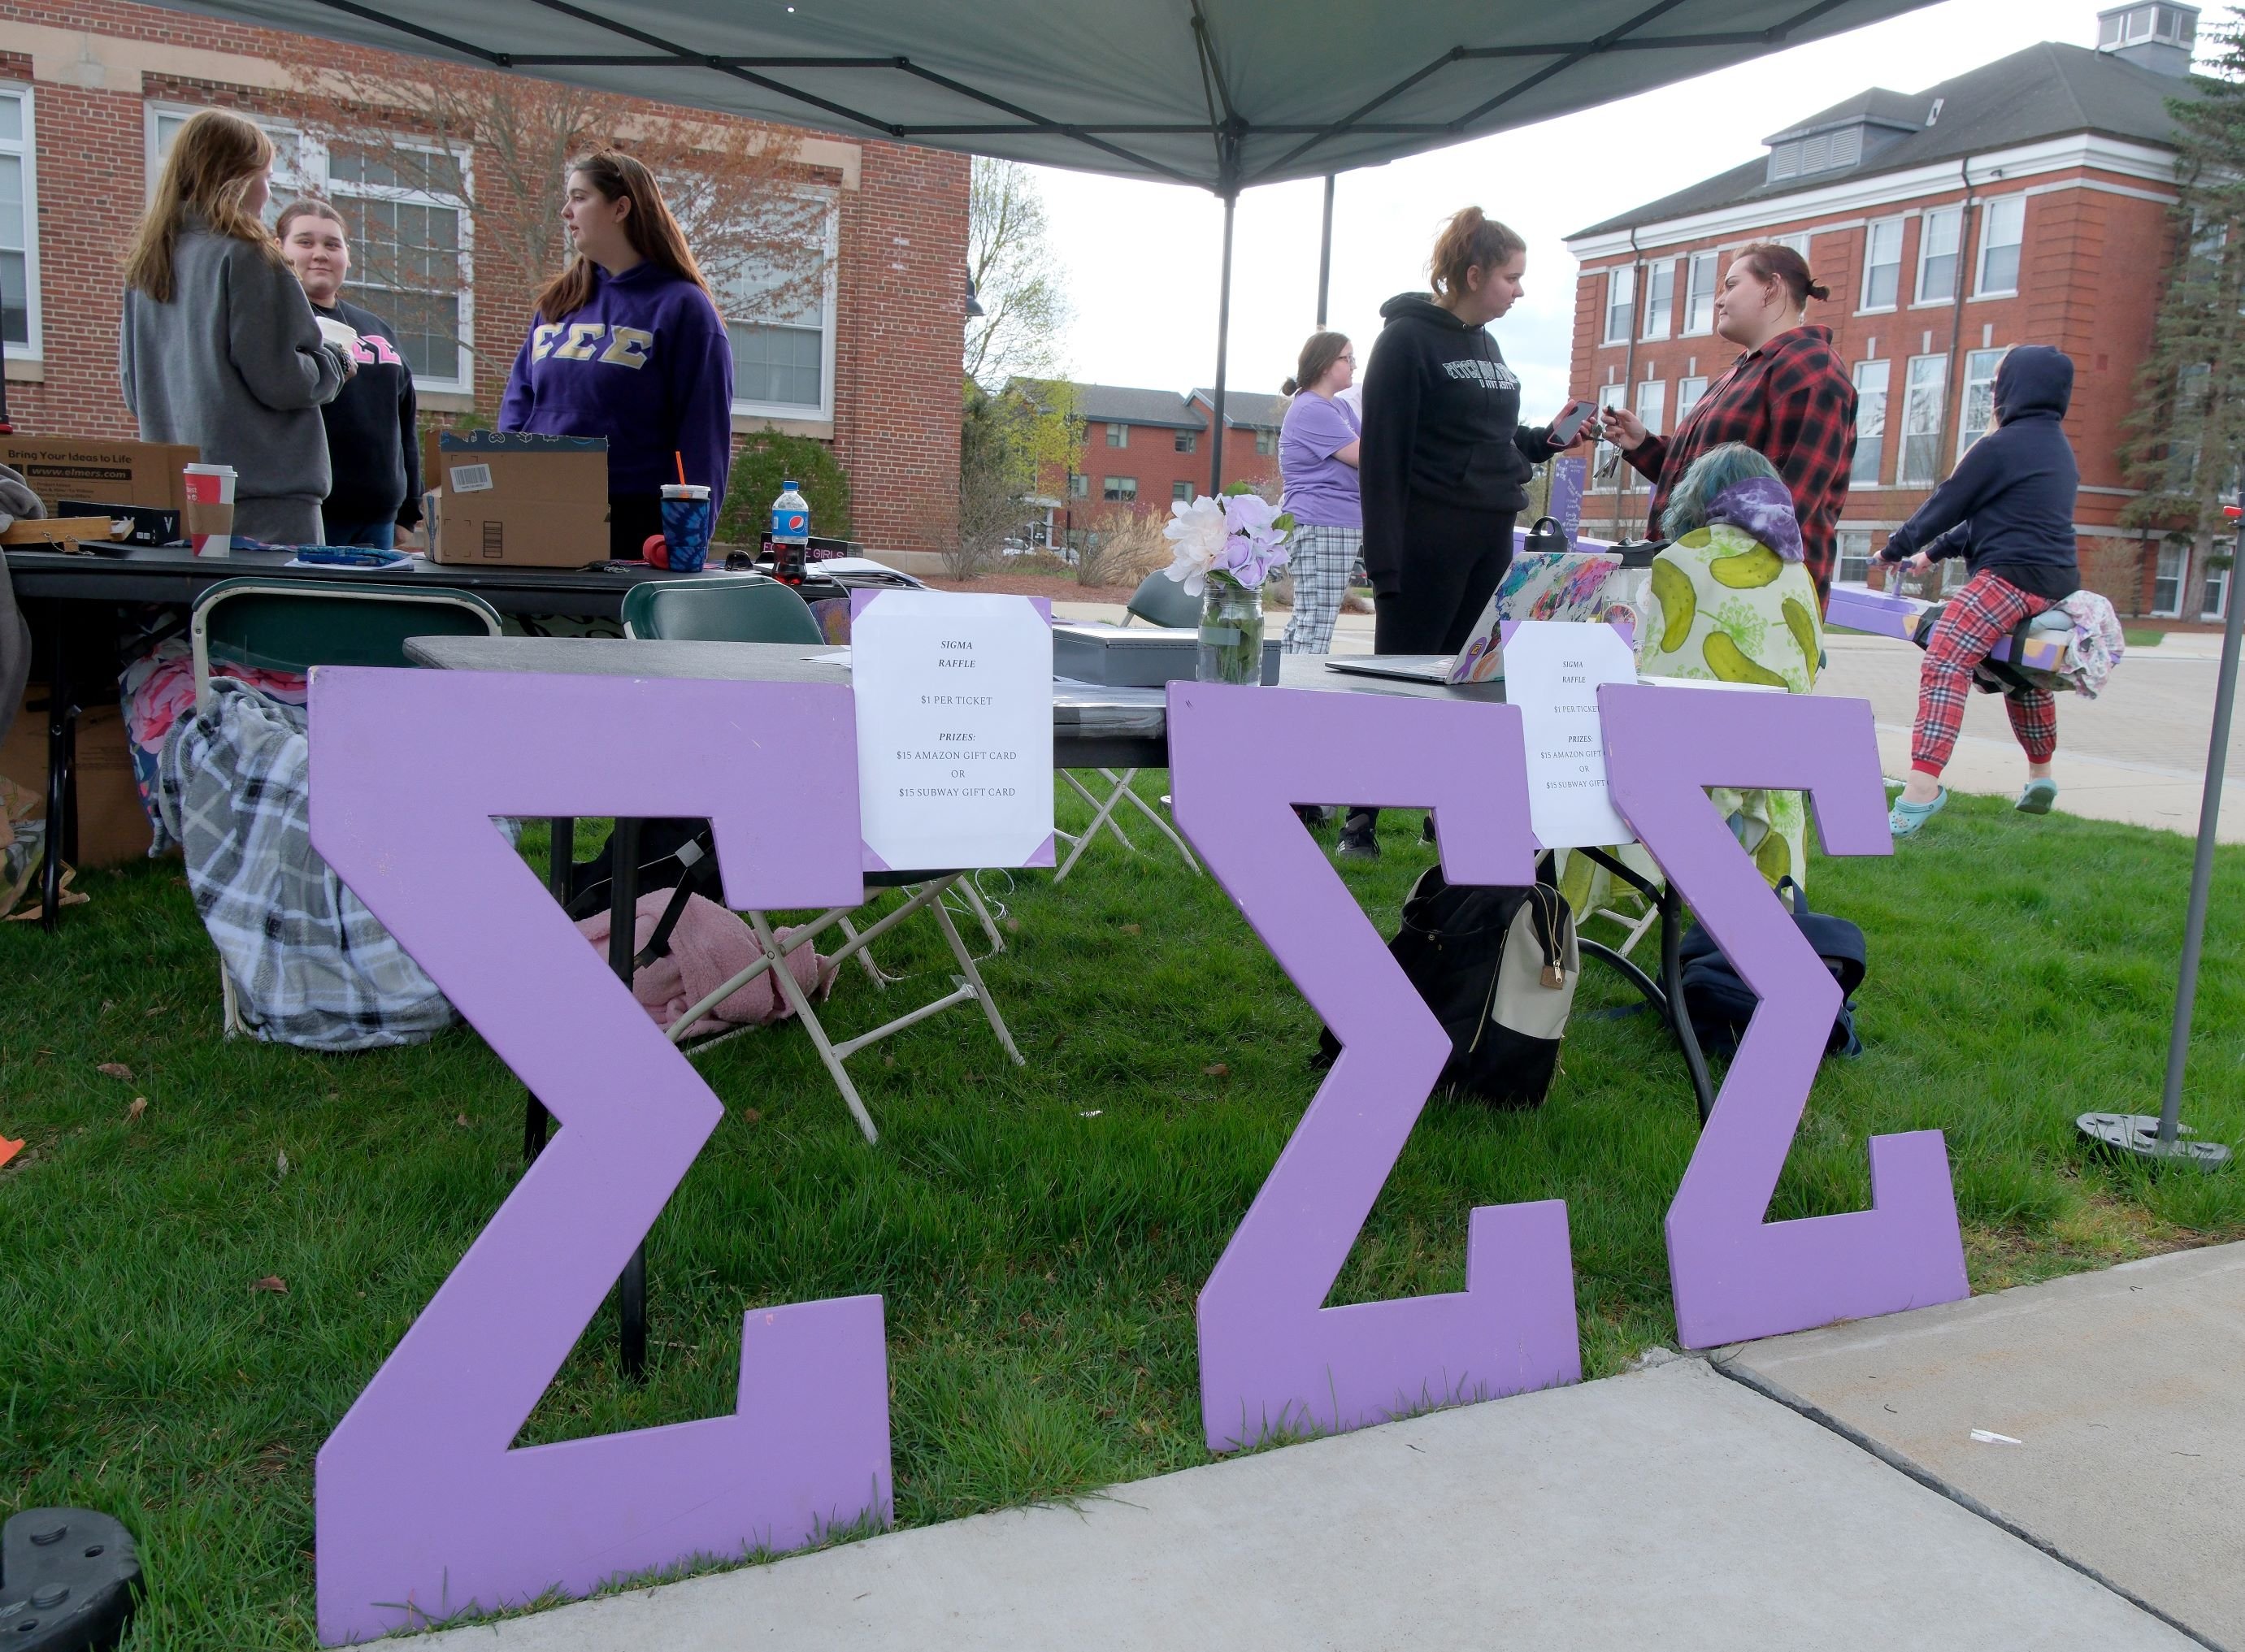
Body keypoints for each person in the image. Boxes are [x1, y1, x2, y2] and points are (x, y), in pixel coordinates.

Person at [1344, 206, 1595, 859]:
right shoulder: (1405, 340)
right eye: (1511, 276)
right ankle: (1359, 820)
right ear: (1474, 272)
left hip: (1491, 532)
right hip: (1427, 536)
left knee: (1473, 680)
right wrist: (1386, 559)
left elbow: (1491, 437)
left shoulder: (1487, 344)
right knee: (1397, 682)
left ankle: (1446, 810)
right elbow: (1384, 453)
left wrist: (1548, 438)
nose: (1520, 290)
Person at [120, 109, 353, 546]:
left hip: (180, 501)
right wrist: (336, 362)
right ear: (235, 178)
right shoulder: (246, 257)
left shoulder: (146, 268)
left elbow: (136, 391)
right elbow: (283, 380)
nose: (268, 192)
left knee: (204, 615)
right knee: (271, 614)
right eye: (264, 175)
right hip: (265, 501)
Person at [1875, 345, 2082, 838]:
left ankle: (1922, 789)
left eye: (1996, 383)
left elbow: (1949, 501)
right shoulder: (2057, 450)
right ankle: (2040, 776)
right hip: (2056, 583)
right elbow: (1991, 520)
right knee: (2023, 673)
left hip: (2010, 577)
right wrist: (1933, 555)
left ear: (2015, 388)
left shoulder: (2000, 447)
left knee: (1947, 656)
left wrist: (1898, 547)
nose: (1993, 393)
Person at [500, 151, 734, 560]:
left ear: (621, 208)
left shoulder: (683, 307)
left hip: (635, 527)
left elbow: (704, 434)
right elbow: (517, 408)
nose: (565, 211)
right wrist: (502, 492)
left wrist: (689, 538)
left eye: (579, 197)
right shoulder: (558, 303)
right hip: (539, 513)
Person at [1597, 242, 1856, 602]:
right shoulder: (1743, 371)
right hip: (1699, 589)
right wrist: (1644, 445)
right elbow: (1702, 484)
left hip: (1753, 604)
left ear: (1772, 288)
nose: (1719, 300)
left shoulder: (1809, 367)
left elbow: (1786, 506)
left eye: (1732, 286)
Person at [1637, 441, 1822, 887]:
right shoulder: (1799, 574)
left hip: (1684, 768)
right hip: (1774, 767)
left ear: (1697, 495)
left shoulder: (1677, 559)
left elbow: (1641, 660)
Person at [277, 200, 422, 549]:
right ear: (279, 251)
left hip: (380, 520)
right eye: (305, 242)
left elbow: (404, 424)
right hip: (309, 513)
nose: (320, 254)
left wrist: (407, 512)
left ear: (348, 256)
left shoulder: (377, 329)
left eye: (332, 244)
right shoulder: (275, 324)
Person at [1277, 331, 1361, 656]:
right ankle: (1296, 698)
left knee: (1309, 621)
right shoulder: (1312, 409)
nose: (1354, 365)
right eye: (1347, 358)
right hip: (1320, 522)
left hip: (1337, 522)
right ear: (1326, 364)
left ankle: (1280, 692)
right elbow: (1367, 455)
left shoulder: (1339, 407)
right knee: (1315, 623)